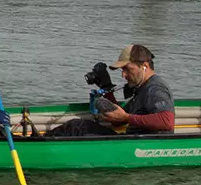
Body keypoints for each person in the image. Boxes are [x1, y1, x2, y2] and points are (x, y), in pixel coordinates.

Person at [45, 44, 175, 136]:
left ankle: (36, 145)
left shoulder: (155, 88)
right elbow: (120, 121)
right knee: (77, 127)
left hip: (143, 145)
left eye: (127, 69)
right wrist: (107, 89)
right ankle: (39, 142)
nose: (123, 75)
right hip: (131, 141)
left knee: (77, 127)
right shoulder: (141, 88)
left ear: (145, 66)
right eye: (122, 70)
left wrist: (127, 117)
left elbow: (166, 121)